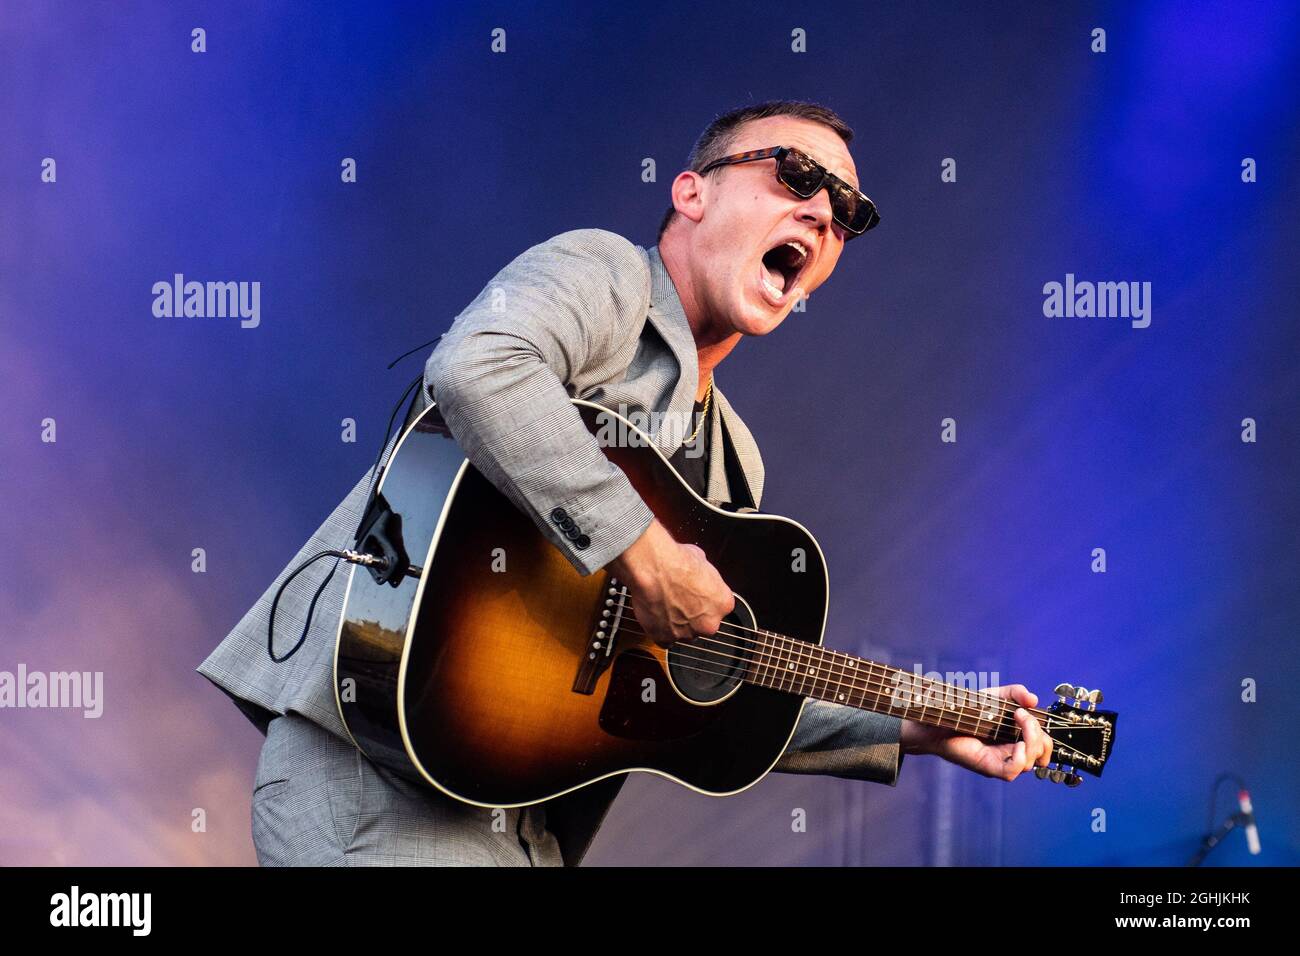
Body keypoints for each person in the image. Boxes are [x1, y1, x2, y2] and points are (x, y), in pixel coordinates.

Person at [198, 99, 1052, 867]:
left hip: (517, 814)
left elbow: (719, 680)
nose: (823, 212)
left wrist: (914, 725)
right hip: (390, 775)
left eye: (849, 215)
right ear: (692, 193)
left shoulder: (733, 458)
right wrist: (644, 552)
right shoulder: (608, 276)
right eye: (795, 174)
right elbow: (478, 364)